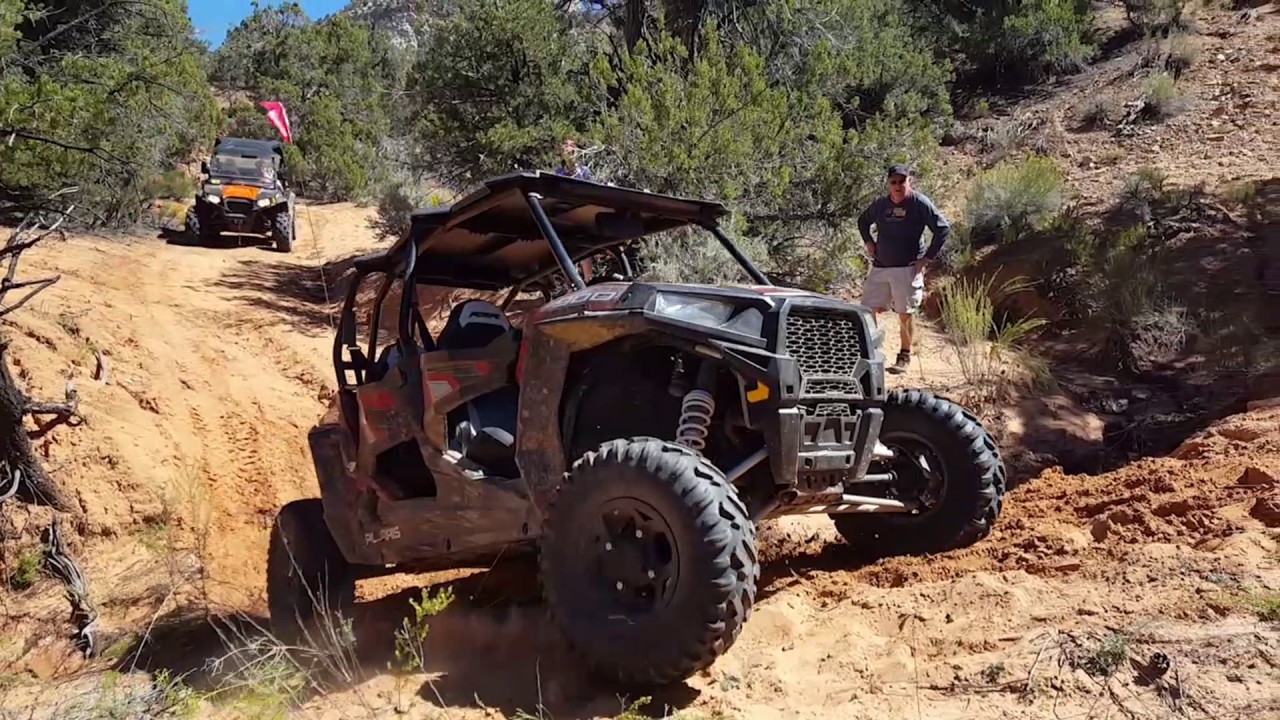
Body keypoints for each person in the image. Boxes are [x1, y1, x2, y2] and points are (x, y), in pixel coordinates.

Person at [857, 164, 951, 375]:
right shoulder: (881, 205)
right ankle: (870, 353)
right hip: (880, 266)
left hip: (907, 269)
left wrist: (926, 258)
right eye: (894, 182)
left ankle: (904, 355)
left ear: (909, 181)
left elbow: (942, 228)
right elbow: (863, 221)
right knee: (868, 310)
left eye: (902, 181)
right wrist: (869, 242)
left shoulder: (919, 203)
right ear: (889, 184)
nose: (898, 186)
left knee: (905, 313)